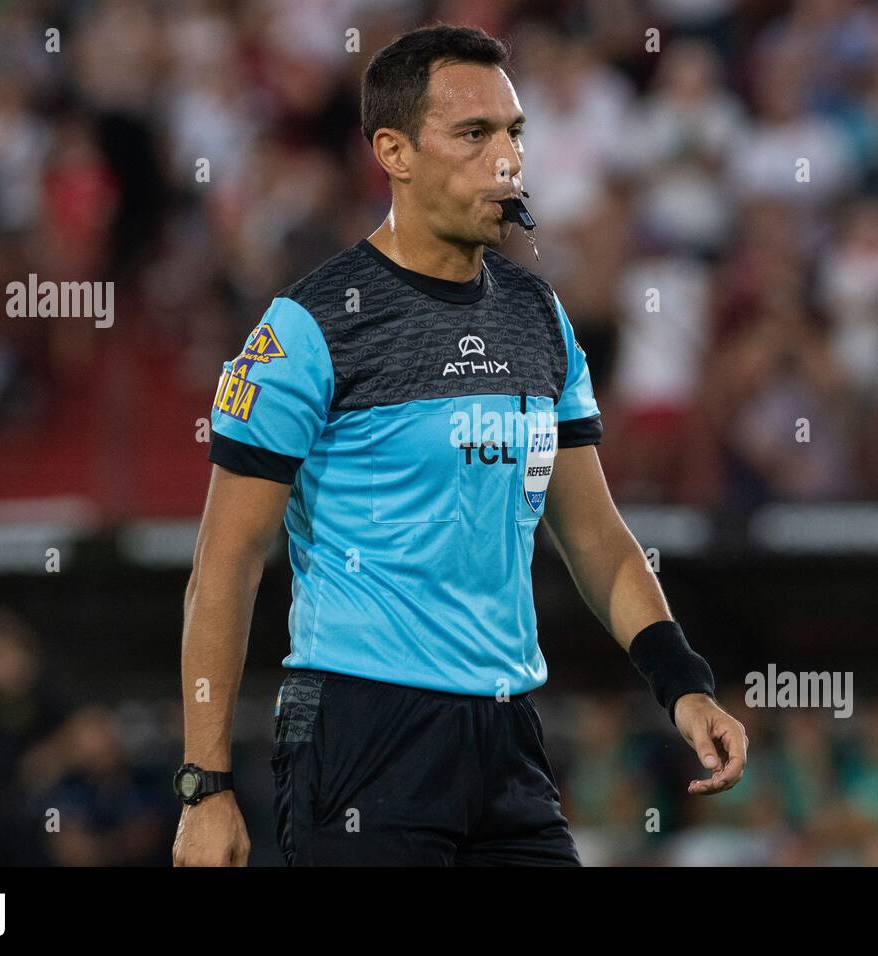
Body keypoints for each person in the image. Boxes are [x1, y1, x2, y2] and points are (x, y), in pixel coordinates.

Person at [172, 24, 747, 867]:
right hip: (362, 736)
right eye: (474, 135)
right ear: (393, 152)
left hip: (509, 738)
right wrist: (206, 785)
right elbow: (224, 564)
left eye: (514, 133)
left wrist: (683, 683)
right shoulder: (309, 327)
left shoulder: (539, 317)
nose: (507, 159)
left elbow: (597, 539)